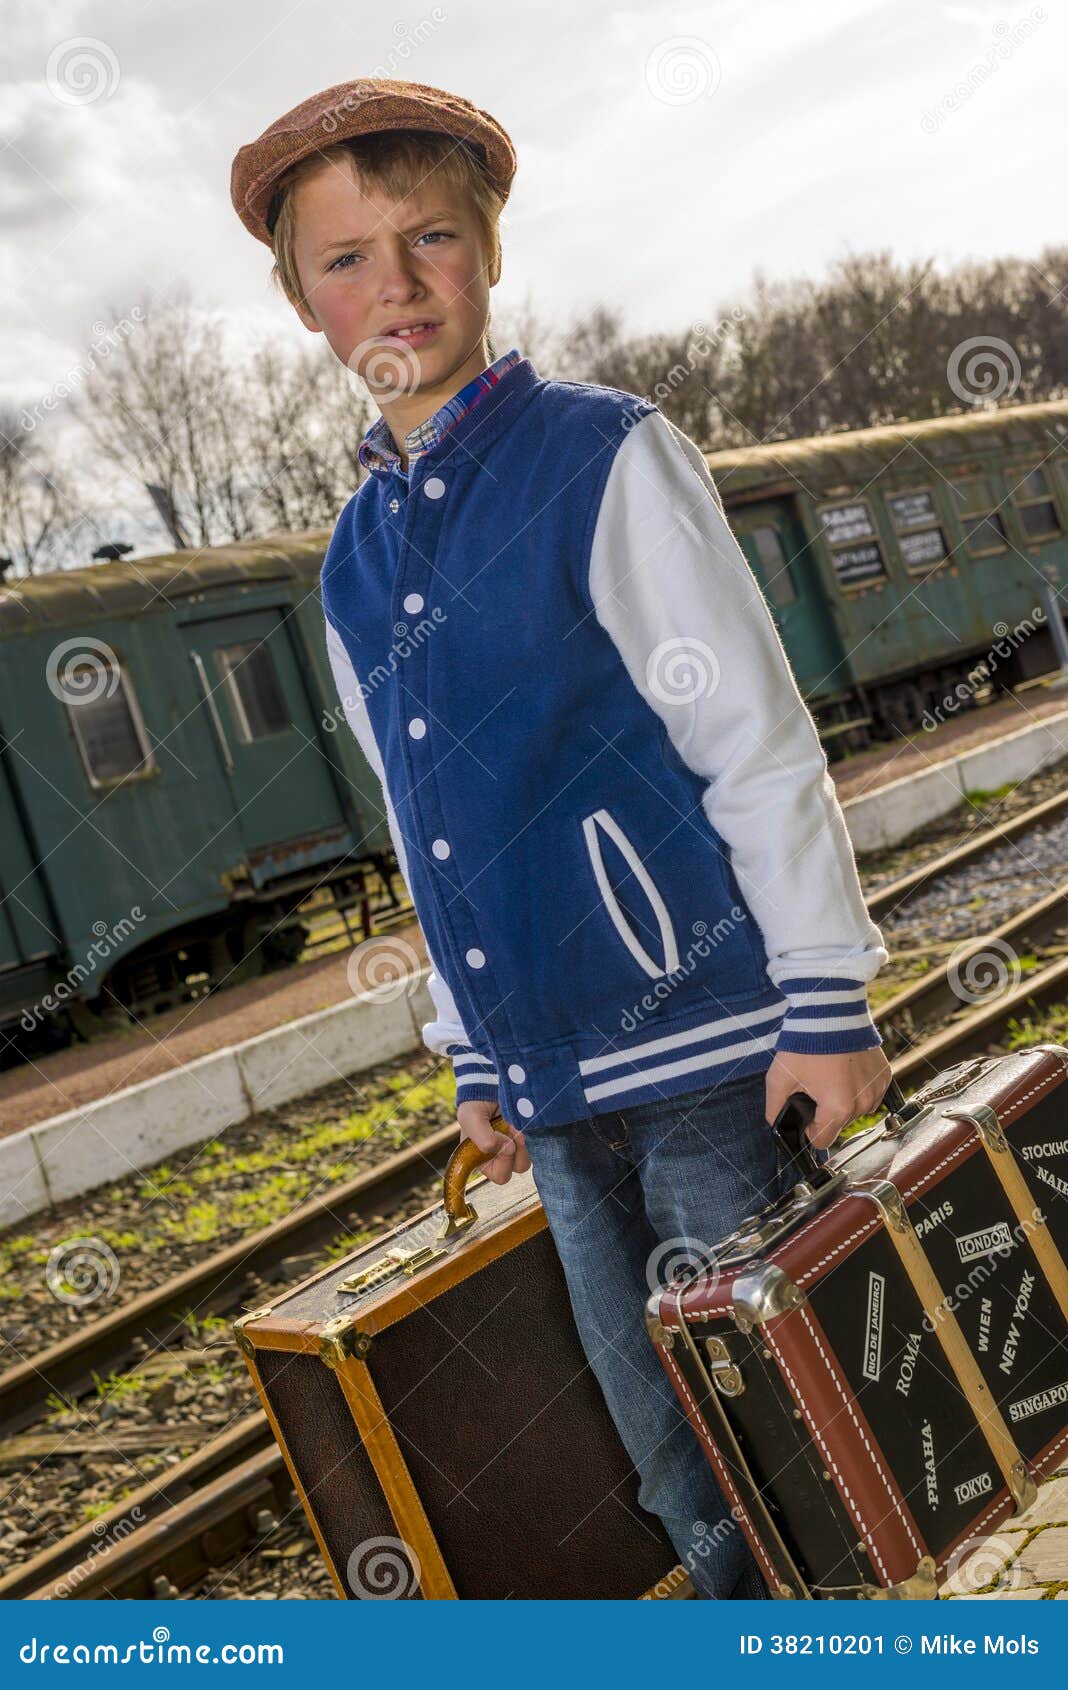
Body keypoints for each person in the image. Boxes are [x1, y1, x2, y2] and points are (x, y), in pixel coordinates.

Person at [230, 78, 893, 1600]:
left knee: (787, 1444)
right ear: (305, 302)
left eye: (431, 238)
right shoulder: (353, 559)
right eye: (346, 260)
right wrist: (474, 1052)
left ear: (488, 252)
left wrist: (827, 997)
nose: (397, 284)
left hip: (713, 1051)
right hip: (551, 1087)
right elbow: (424, 826)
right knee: (672, 1467)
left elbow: (753, 736)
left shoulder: (604, 453)